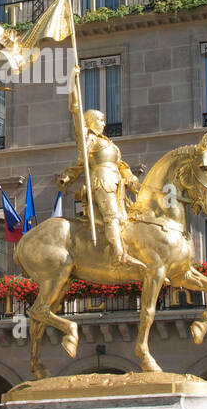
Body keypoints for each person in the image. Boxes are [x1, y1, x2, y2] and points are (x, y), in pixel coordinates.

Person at [57, 66, 145, 271]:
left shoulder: (109, 144)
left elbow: (121, 164)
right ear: (90, 122)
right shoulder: (89, 138)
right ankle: (118, 255)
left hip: (117, 182)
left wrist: (131, 178)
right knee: (112, 216)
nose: (104, 123)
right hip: (101, 182)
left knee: (129, 217)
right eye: (100, 119)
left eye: (104, 120)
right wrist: (73, 82)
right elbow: (76, 111)